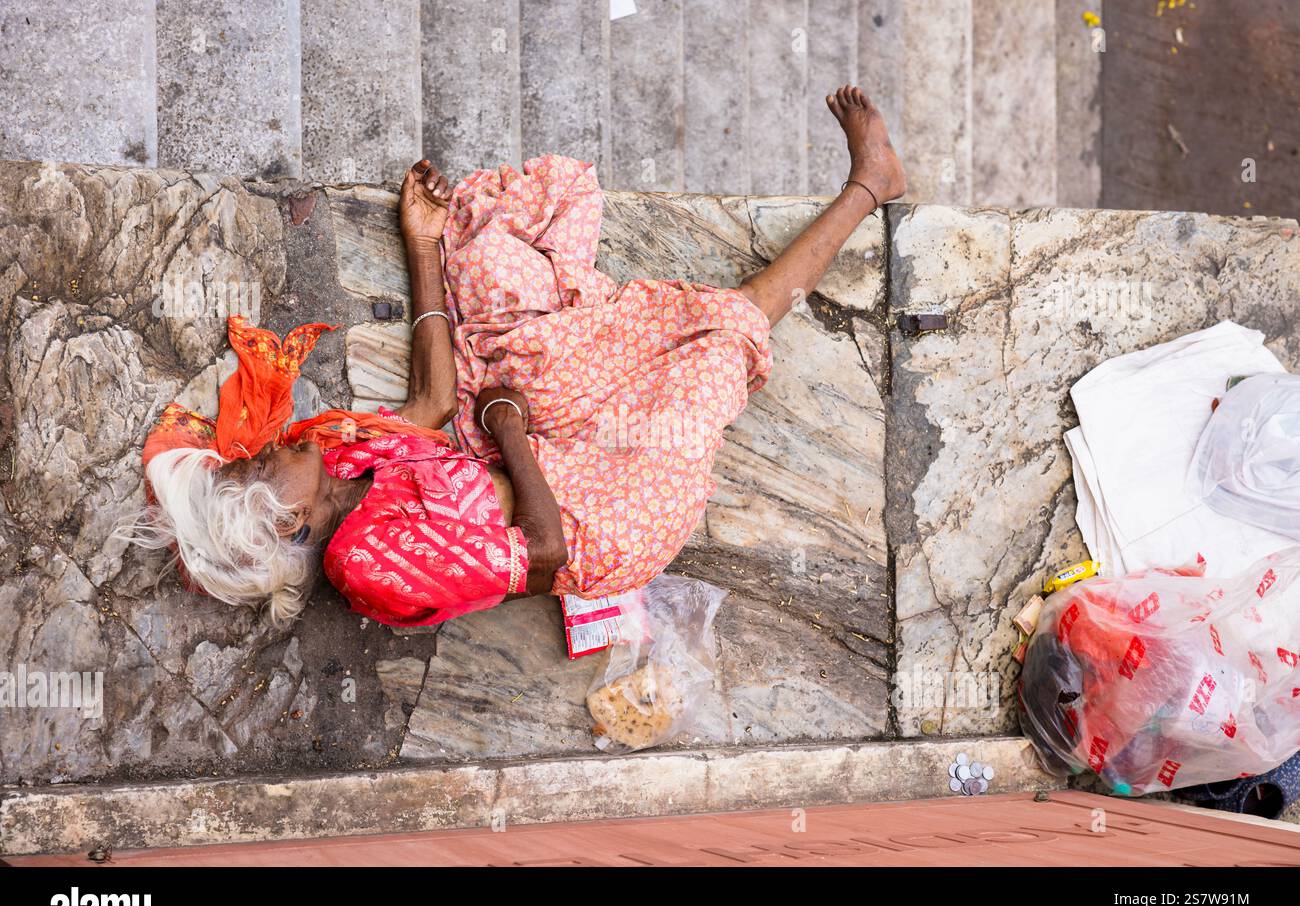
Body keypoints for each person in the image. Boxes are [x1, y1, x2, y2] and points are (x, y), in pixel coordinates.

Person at [121, 86, 906, 628]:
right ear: (288, 519)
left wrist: (422, 242)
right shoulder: (369, 568)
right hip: (595, 513)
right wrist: (512, 431)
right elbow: (543, 552)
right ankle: (869, 186)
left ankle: (543, 334)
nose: (263, 449)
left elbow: (429, 407)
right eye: (256, 469)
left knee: (492, 263)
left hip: (510, 437)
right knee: (717, 341)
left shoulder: (331, 461)